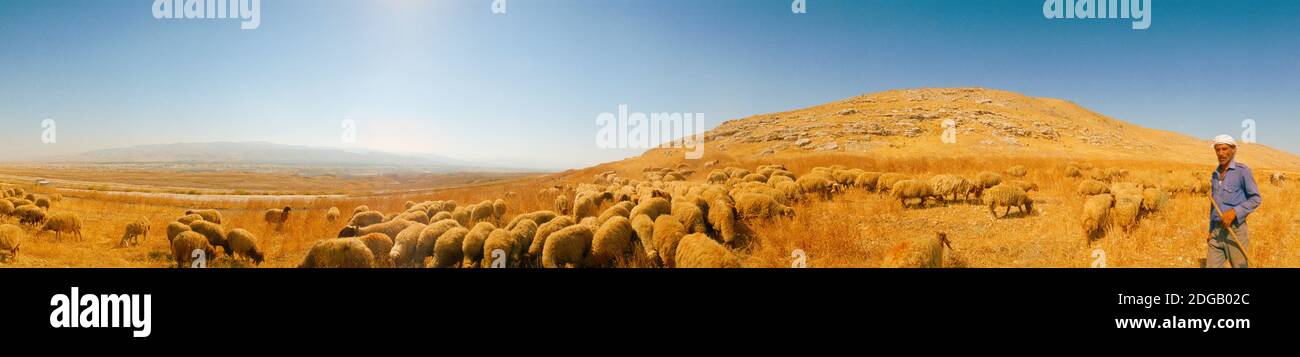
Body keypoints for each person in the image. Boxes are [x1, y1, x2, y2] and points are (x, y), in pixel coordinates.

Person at [1206, 134, 1262, 268]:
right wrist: (1211, 230)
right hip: (1217, 231)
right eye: (1217, 149)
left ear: (1233, 150)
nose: (1221, 153)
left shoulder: (1242, 171)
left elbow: (1256, 198)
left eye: (1224, 149)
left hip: (1235, 230)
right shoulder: (1215, 174)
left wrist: (1235, 212)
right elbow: (1214, 206)